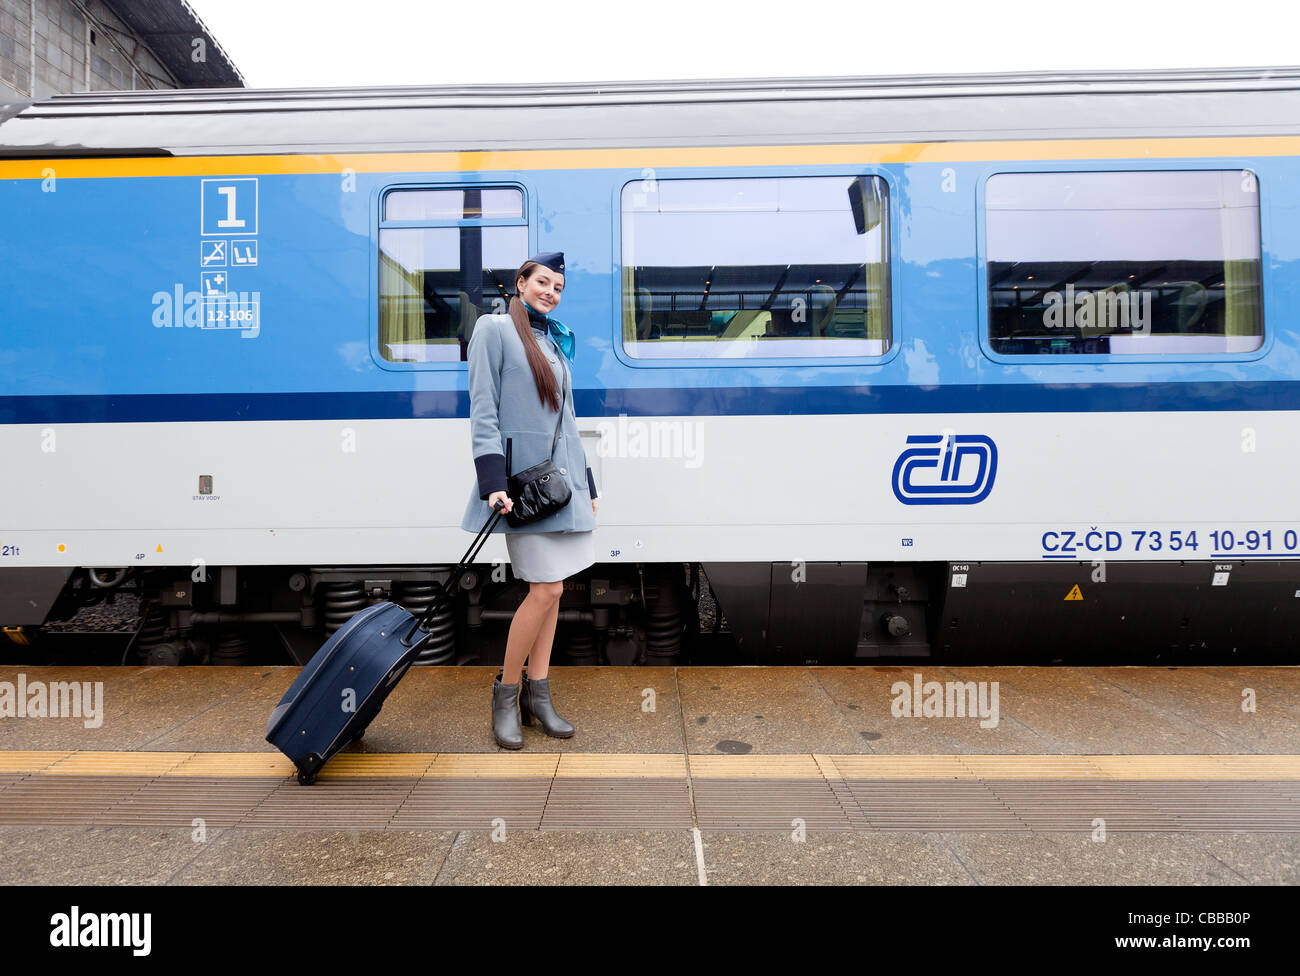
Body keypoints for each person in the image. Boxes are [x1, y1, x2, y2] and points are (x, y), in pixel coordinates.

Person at [461, 251, 599, 749]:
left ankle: (537, 696)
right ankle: (506, 691)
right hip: (521, 487)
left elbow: (569, 426)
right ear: (521, 283)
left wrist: (590, 487)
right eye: (543, 282)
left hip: (559, 488)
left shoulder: (552, 342)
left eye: (558, 287)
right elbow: (483, 411)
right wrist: (491, 479)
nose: (550, 292)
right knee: (544, 591)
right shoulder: (493, 331)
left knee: (555, 591)